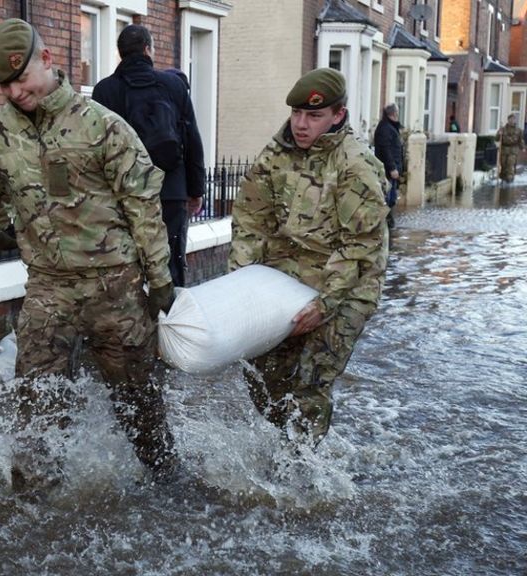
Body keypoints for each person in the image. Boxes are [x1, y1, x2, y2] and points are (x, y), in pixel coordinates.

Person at [0, 19, 179, 489]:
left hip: (116, 288)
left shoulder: (102, 125)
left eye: (20, 80)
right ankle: (35, 505)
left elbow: (142, 206)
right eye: (4, 85)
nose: (14, 93)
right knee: (37, 403)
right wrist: (0, 233)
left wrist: (160, 279)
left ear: (46, 61)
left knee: (138, 399)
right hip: (48, 290)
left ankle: (166, 479)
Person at [229, 68, 389, 447]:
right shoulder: (276, 154)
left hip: (349, 285)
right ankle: (286, 443)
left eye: (314, 116)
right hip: (288, 275)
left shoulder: (355, 165)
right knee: (262, 373)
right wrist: (241, 283)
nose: (301, 125)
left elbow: (360, 246)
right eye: (296, 114)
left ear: (338, 115)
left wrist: (326, 304)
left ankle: (305, 476)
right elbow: (251, 219)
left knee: (310, 380)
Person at [91, 24, 206, 288]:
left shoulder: (104, 91)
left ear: (121, 54)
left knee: (126, 265)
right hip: (170, 191)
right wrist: (195, 190)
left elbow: (95, 149)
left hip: (123, 196)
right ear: (148, 50)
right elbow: (192, 140)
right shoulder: (174, 86)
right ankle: (171, 322)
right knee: (171, 265)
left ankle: (131, 325)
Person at [373, 103, 403, 228]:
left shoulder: (389, 127)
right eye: (396, 113)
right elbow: (386, 150)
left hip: (391, 169)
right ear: (393, 114)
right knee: (388, 199)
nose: (397, 115)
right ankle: (385, 224)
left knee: (391, 198)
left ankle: (388, 223)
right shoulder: (385, 128)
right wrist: (392, 168)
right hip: (387, 170)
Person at [495, 113, 523, 183]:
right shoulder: (503, 129)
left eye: (513, 119)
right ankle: (503, 179)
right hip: (504, 150)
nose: (512, 121)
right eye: (510, 119)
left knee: (510, 165)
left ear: (515, 120)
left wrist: (522, 147)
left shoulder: (519, 130)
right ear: (508, 120)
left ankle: (510, 181)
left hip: (513, 151)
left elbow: (520, 140)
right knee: (503, 165)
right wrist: (499, 134)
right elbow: (496, 138)